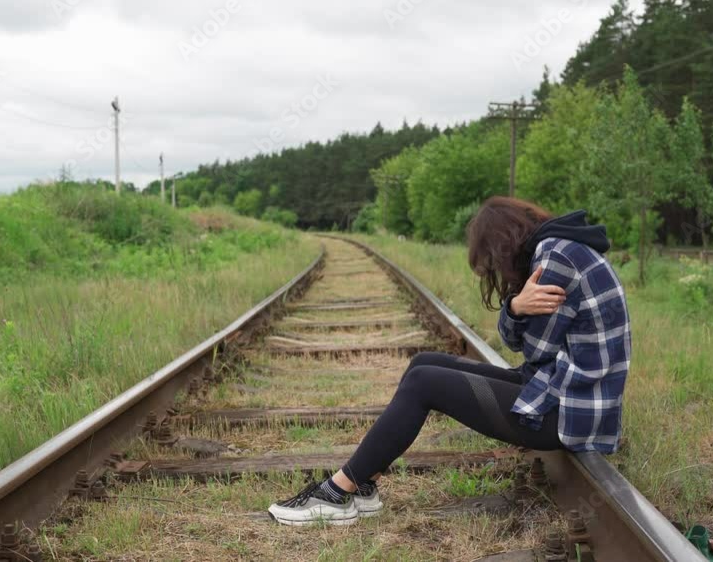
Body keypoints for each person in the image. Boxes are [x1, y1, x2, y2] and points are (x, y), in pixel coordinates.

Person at [268, 197, 631, 526]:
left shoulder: (556, 258)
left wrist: (516, 310)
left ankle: (336, 493)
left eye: (492, 262)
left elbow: (532, 348)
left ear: (502, 245)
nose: (498, 273)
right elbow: (519, 339)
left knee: (424, 383)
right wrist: (517, 307)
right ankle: (364, 483)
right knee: (423, 363)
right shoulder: (555, 247)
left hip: (568, 412)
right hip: (555, 391)